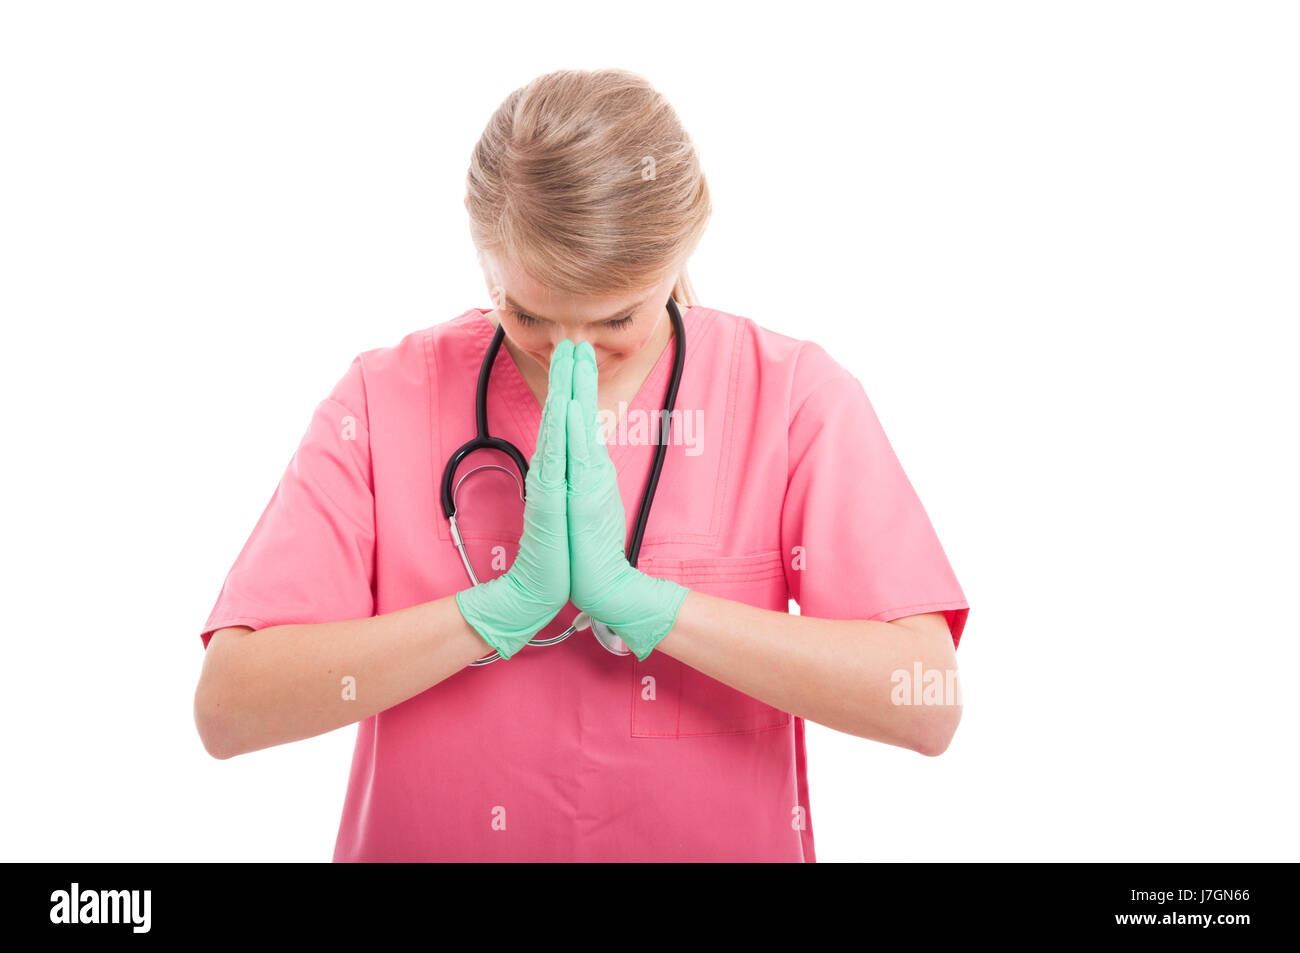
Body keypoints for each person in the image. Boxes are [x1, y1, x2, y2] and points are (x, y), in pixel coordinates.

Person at [193, 67, 970, 862]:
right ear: (486, 261)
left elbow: (926, 700)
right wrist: (490, 612)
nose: (571, 353)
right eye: (528, 313)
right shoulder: (384, 397)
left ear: (681, 250)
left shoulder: (792, 397)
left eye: (616, 319)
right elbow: (228, 707)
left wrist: (657, 609)